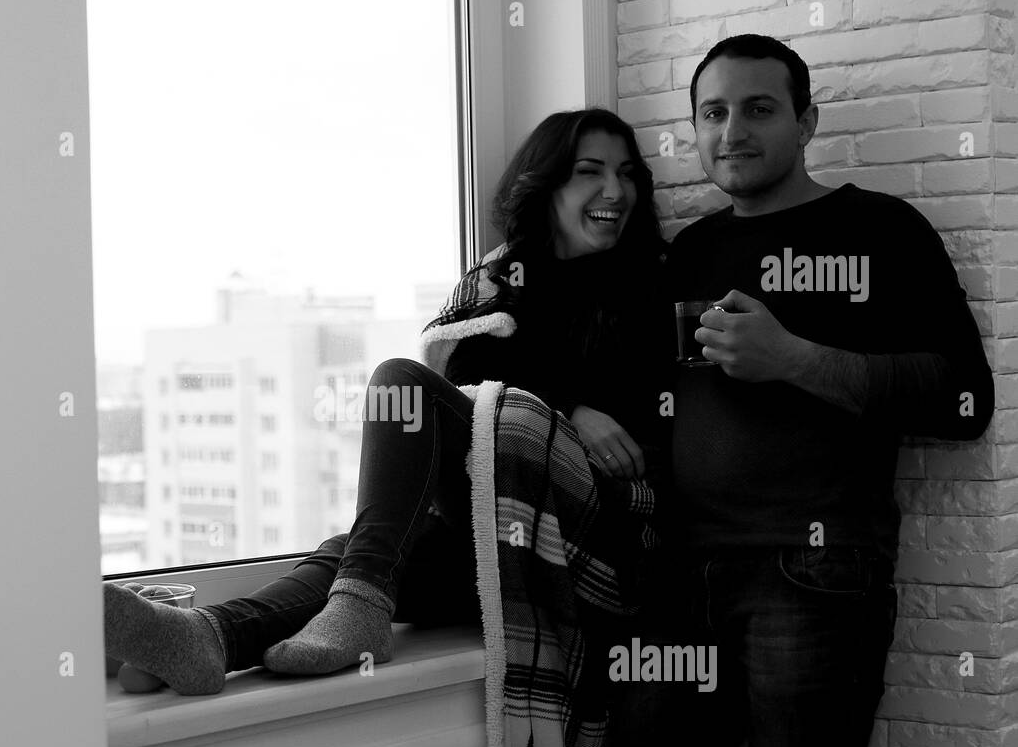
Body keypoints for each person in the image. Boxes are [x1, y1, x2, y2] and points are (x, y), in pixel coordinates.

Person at [102, 108, 672, 704]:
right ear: (547, 181)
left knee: (399, 382)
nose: (615, 190)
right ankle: (204, 637)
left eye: (627, 173)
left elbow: (647, 438)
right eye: (590, 171)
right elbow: (478, 404)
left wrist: (571, 418)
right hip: (488, 545)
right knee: (357, 555)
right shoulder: (497, 282)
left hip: (583, 546)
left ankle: (332, 612)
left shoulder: (648, 287)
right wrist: (573, 406)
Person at [656, 34, 995, 747]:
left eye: (759, 109)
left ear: (808, 121)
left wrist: (795, 359)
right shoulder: (692, 249)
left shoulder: (882, 230)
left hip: (811, 571)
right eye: (714, 112)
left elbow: (963, 401)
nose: (732, 130)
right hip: (680, 577)